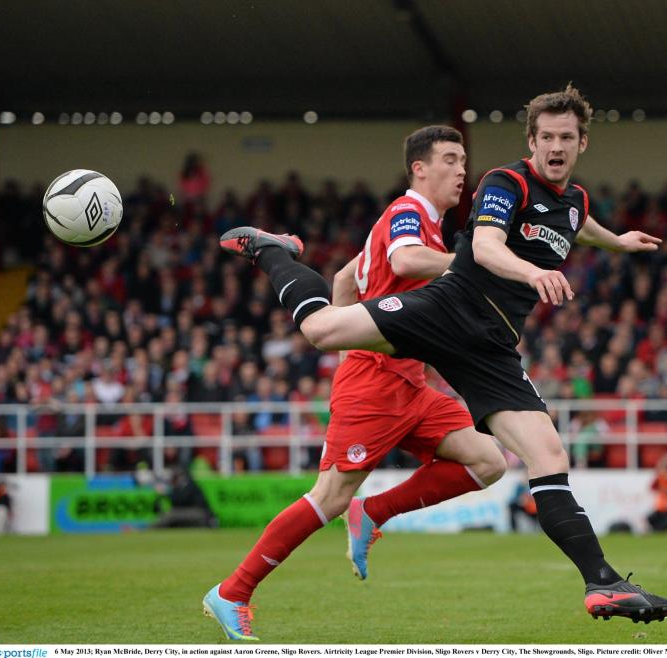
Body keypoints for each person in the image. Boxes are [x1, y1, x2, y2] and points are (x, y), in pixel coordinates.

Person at [219, 84, 667, 626]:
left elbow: (578, 227)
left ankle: (602, 584)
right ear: (531, 141)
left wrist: (618, 241)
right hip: (451, 309)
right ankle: (272, 250)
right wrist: (533, 272)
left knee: (540, 458)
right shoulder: (505, 183)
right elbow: (482, 247)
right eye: (547, 137)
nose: (557, 146)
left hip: (490, 345)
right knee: (321, 331)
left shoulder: (574, 202)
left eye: (567, 137)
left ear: (582, 143)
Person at [204, 126, 506, 641]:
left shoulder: (426, 226)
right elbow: (405, 261)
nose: (462, 171)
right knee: (328, 498)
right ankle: (232, 591)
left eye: (463, 161)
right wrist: (476, 264)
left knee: (488, 461)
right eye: (451, 160)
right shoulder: (408, 214)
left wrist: (349, 343)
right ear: (420, 169)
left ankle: (374, 511)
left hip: (408, 382)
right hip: (376, 385)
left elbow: (346, 279)